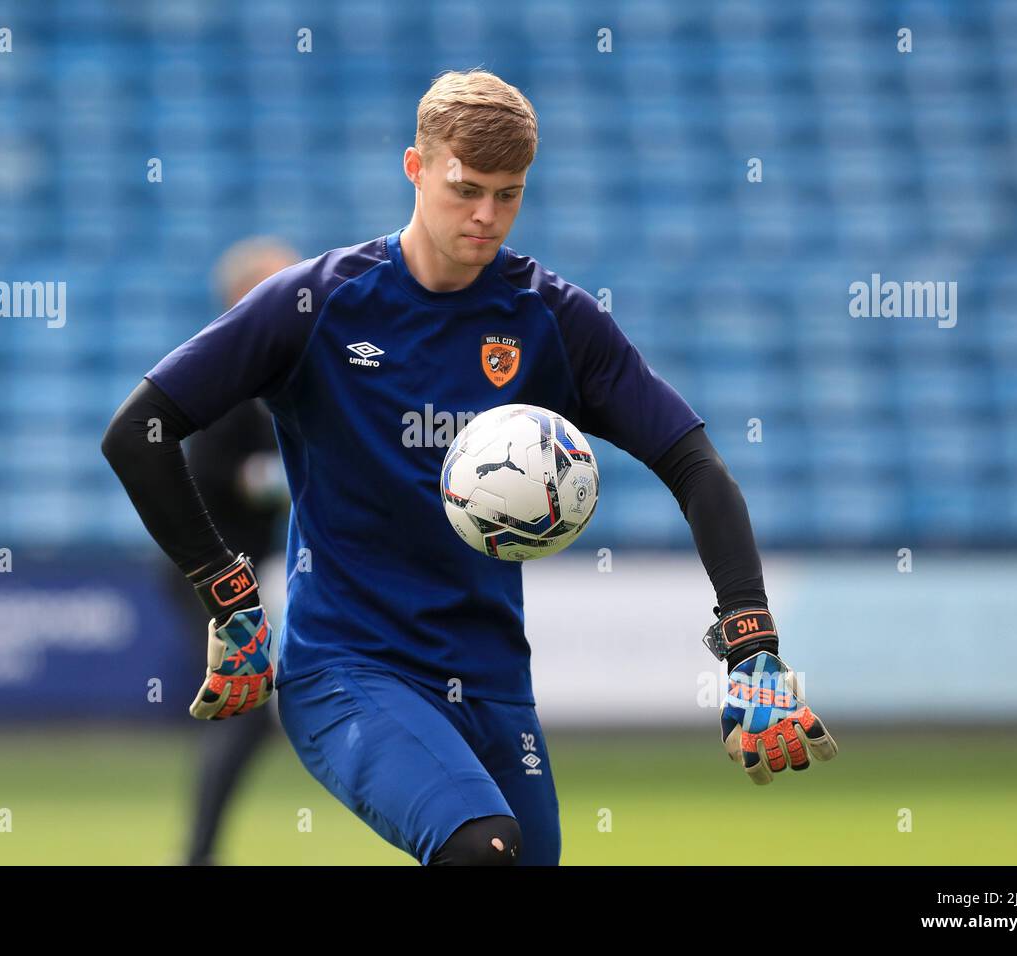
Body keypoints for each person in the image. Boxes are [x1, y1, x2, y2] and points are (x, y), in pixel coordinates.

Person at [102, 69, 837, 867]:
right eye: (466, 189)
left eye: (509, 194)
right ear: (415, 169)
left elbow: (694, 464)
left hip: (493, 682)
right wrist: (229, 594)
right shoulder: (314, 304)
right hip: (348, 671)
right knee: (481, 850)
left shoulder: (552, 319)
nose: (486, 216)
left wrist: (750, 641)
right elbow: (137, 431)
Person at [170, 237, 298, 866]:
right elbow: (224, 474)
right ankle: (197, 857)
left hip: (243, 568)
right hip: (209, 573)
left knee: (249, 717)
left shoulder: (268, 373)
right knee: (246, 713)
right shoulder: (224, 373)